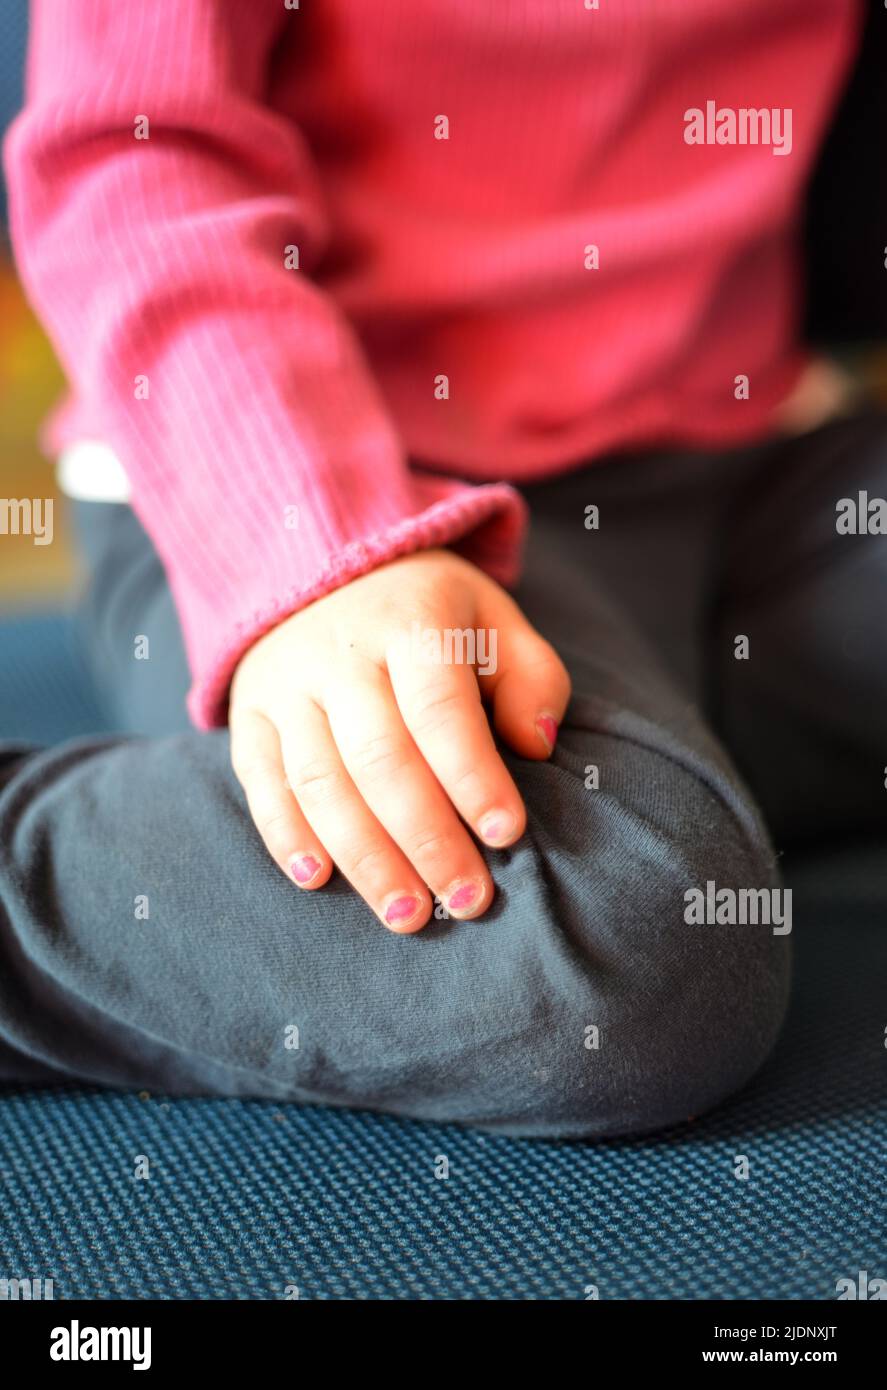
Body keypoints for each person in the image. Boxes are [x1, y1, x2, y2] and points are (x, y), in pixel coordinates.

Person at [0, 0, 878, 1138]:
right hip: (316, 469)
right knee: (618, 948)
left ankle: (664, 745)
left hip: (738, 453)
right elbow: (128, 152)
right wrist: (313, 543)